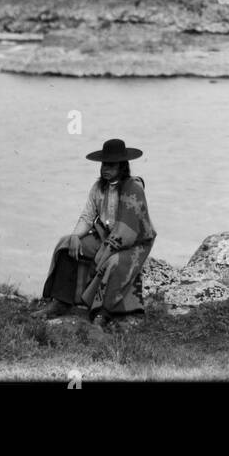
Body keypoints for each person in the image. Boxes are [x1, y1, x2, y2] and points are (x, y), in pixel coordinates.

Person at [41, 138, 155, 329]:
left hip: (133, 243)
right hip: (104, 237)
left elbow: (128, 231)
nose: (105, 169)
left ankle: (103, 312)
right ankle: (60, 302)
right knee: (66, 246)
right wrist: (76, 237)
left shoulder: (133, 189)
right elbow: (87, 217)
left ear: (122, 166)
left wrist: (107, 251)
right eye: (104, 164)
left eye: (111, 165)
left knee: (113, 264)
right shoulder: (98, 188)